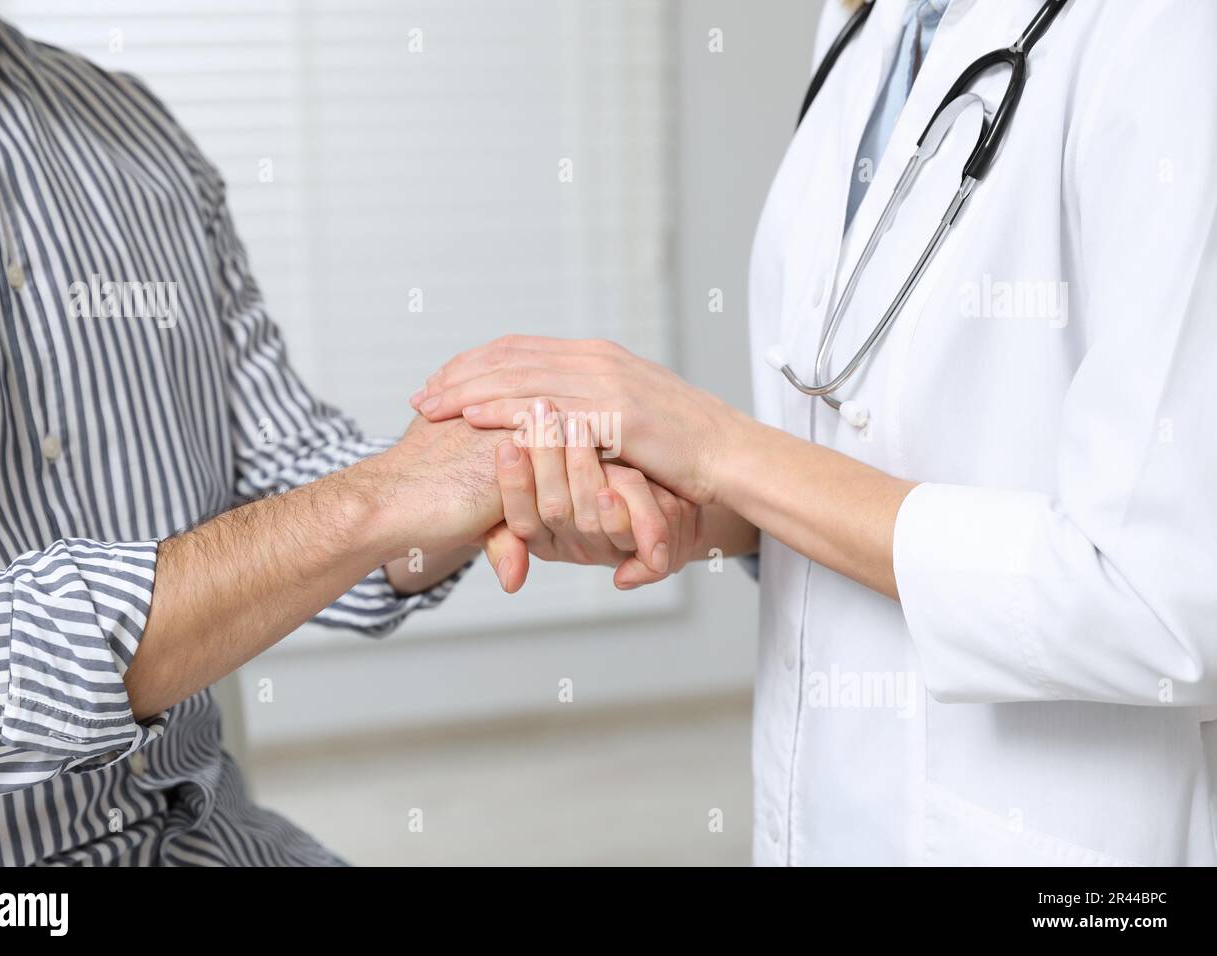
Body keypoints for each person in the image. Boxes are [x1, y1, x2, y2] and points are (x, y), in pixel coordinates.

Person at [415, 0, 1217, 865]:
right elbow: (852, 447)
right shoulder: (869, 25)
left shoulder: (1166, 31)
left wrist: (720, 450)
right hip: (821, 803)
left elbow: (1160, 601)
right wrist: (682, 500)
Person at [0, 2, 691, 865]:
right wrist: (379, 501)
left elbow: (285, 468)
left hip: (213, 837)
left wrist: (499, 468)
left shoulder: (131, 129)